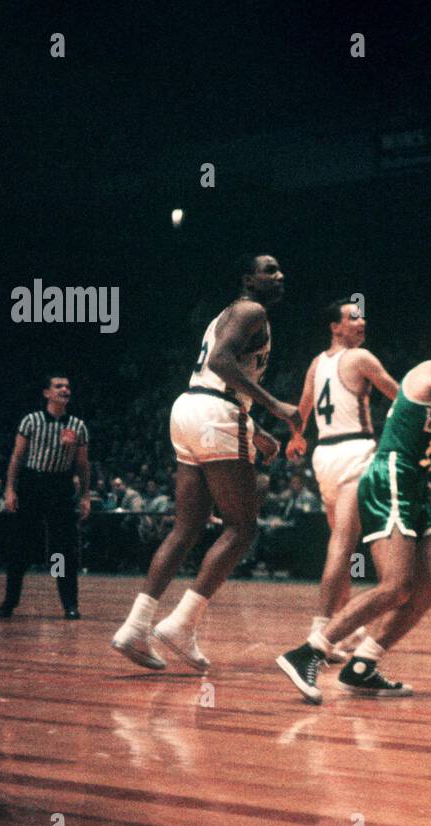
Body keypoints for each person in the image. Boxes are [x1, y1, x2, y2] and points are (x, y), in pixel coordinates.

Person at [277, 313, 431, 703]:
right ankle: (309, 651)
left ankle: (363, 664)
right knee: (396, 586)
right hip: (390, 481)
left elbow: (407, 441)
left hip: (412, 484)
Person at [111, 253, 298, 671]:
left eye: (281, 269)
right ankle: (181, 624)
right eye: (270, 269)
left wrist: (254, 428)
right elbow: (220, 362)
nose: (279, 275)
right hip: (215, 411)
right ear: (248, 278)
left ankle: (135, 627)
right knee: (242, 526)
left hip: (192, 407)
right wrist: (275, 407)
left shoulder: (230, 313)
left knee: (187, 526)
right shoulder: (251, 309)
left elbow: (216, 374)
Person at [297, 298, 399, 662]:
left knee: (340, 546)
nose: (361, 322)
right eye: (353, 317)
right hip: (355, 450)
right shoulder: (360, 358)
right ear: (335, 327)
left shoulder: (316, 363)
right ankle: (318, 630)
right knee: (343, 544)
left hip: (323, 456)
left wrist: (295, 438)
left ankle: (350, 631)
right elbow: (400, 396)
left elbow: (302, 410)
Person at [0, 373, 91, 619]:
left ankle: (69, 603)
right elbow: (17, 457)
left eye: (67, 386)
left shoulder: (78, 426)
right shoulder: (31, 421)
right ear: (46, 393)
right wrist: (10, 489)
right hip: (32, 483)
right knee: (21, 546)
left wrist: (85, 496)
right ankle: (10, 600)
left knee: (63, 550)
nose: (64, 390)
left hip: (60, 486)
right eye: (58, 386)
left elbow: (83, 465)